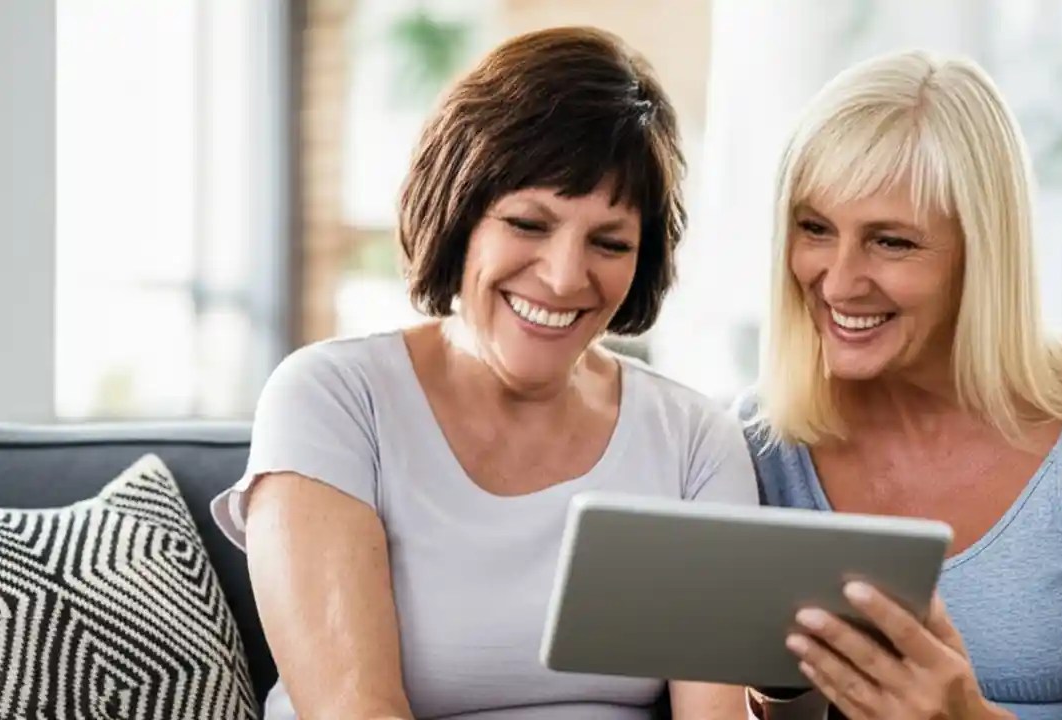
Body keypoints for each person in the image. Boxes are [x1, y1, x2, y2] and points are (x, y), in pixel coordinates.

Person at [210, 26, 757, 720]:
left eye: (609, 242)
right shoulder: (333, 398)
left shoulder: (695, 442)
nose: (564, 277)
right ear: (460, 213)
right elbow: (354, 709)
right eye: (528, 223)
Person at [737, 49, 1062, 719]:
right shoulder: (759, 445)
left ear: (983, 253)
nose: (839, 281)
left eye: (891, 242)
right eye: (815, 229)